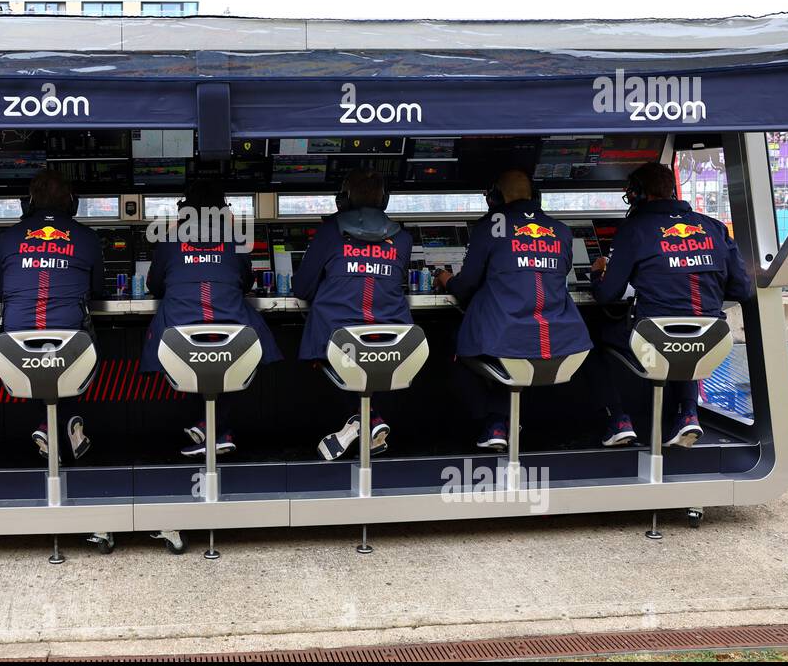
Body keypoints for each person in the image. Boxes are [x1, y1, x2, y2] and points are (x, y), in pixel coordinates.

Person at [586, 161, 753, 448]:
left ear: (639, 194)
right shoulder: (714, 227)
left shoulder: (634, 229)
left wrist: (596, 273)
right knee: (684, 336)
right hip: (711, 340)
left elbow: (607, 295)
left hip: (654, 340)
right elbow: (743, 289)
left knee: (591, 340)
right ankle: (688, 414)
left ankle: (618, 421)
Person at [434, 169, 592, 450]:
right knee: (505, 349)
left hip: (506, 339)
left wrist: (446, 279)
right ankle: (502, 420)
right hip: (563, 342)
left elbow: (466, 286)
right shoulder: (561, 230)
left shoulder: (491, 227)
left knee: (464, 346)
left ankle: (493, 422)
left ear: (495, 197)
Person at [141, 180, 282, 456]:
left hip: (177, 340)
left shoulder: (170, 241)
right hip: (233, 336)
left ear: (184, 210)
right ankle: (216, 427)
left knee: (209, 361)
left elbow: (154, 286)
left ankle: (213, 427)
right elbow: (247, 283)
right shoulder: (235, 239)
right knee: (233, 359)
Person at [294, 168, 413, 460]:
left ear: (342, 200)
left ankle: (364, 420)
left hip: (338, 341)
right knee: (368, 363)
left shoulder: (329, 233)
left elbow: (301, 288)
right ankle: (369, 419)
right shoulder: (403, 239)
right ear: (384, 200)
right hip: (394, 342)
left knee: (335, 359)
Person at [0, 169, 103, 459]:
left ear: (27, 202)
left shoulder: (8, 237)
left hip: (14, 348)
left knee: (44, 360)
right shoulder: (87, 237)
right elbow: (99, 290)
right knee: (76, 353)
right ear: (71, 202)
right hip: (72, 344)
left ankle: (50, 423)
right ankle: (63, 419)